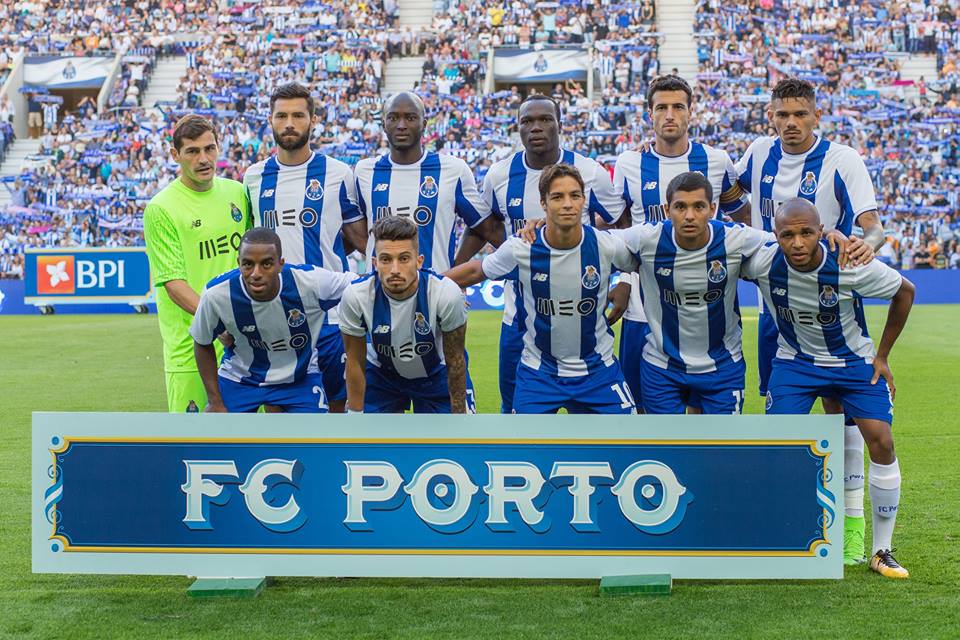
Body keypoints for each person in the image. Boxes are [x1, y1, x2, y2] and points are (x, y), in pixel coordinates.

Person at [734, 78, 886, 565]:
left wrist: (868, 245)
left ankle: (854, 528)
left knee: (844, 421)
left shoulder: (842, 160)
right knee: (783, 423)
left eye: (800, 114)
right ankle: (793, 524)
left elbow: (873, 224)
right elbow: (724, 192)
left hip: (829, 302)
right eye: (782, 114)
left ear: (816, 115)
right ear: (771, 116)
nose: (791, 123)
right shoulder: (757, 153)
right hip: (773, 305)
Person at [741, 198, 915, 579]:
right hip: (795, 363)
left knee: (881, 440)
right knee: (779, 445)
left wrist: (882, 356)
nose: (798, 242)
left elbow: (905, 291)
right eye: (788, 234)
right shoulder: (762, 263)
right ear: (776, 237)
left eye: (807, 232)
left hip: (854, 364)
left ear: (822, 232)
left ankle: (882, 550)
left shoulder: (850, 264)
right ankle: (792, 535)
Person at [456, 93, 626, 413]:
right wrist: (458, 271)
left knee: (595, 422)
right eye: (527, 121)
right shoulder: (499, 175)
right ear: (517, 129)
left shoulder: (590, 172)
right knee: (516, 415)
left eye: (545, 120)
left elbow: (621, 224)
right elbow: (485, 227)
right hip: (518, 318)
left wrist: (626, 279)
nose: (536, 127)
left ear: (560, 125)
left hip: (579, 313)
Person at [611, 74, 751, 407]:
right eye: (661, 108)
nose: (670, 115)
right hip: (644, 312)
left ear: (691, 112)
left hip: (706, 307)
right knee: (644, 413)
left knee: (706, 415)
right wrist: (624, 279)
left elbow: (742, 217)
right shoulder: (629, 163)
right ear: (650, 114)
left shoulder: (717, 161)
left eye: (678, 107)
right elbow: (618, 227)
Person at [244, 83, 368, 413]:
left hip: (332, 315)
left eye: (298, 115)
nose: (289, 123)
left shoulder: (340, 174)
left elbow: (360, 238)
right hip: (275, 316)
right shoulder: (253, 178)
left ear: (313, 120)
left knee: (340, 411)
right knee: (280, 414)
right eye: (281, 115)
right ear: (269, 120)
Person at [143, 115, 251, 413]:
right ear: (175, 154)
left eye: (210, 148)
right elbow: (174, 284)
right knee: (194, 452)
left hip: (245, 343)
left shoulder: (237, 193)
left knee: (252, 446)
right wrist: (219, 324)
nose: (204, 159)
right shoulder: (161, 208)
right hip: (191, 350)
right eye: (192, 151)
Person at [190, 228, 354, 413]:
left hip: (299, 379)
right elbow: (202, 341)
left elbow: (359, 284)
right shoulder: (216, 294)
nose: (256, 273)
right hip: (240, 380)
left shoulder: (310, 282)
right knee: (221, 438)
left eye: (266, 264)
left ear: (281, 264)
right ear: (238, 264)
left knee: (312, 440)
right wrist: (215, 401)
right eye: (248, 264)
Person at [353, 91, 504, 274]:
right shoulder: (364, 172)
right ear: (384, 124)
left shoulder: (453, 170)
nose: (401, 125)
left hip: (435, 295)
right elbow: (353, 230)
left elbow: (486, 228)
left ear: (424, 124)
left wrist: (455, 270)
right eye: (393, 118)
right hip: (379, 293)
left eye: (410, 118)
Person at [339, 216, 474, 413]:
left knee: (454, 441)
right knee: (365, 441)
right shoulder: (356, 296)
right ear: (375, 263)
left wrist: (459, 418)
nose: (395, 269)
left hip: (437, 375)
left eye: (403, 259)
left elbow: (455, 360)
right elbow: (355, 361)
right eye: (386, 259)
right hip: (381, 375)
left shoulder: (446, 294)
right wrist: (355, 414)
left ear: (419, 261)